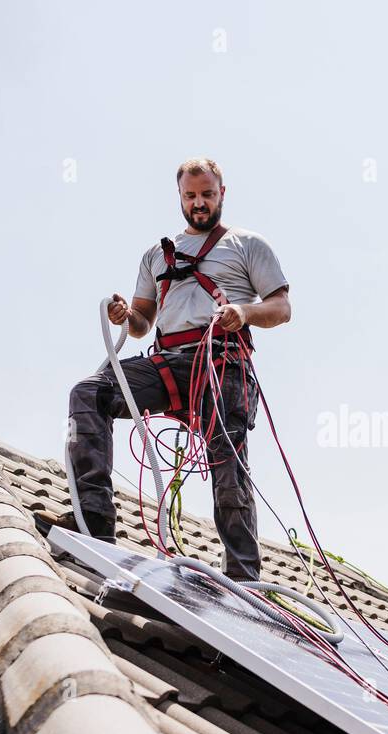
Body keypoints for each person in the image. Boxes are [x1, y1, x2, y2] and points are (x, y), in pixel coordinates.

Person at [53, 156, 291, 581]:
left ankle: (243, 576)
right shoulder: (156, 256)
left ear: (222, 193)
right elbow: (143, 323)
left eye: (207, 195)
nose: (199, 203)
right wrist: (126, 315)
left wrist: (244, 311)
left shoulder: (247, 245)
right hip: (167, 363)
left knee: (228, 459)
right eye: (191, 196)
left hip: (221, 363)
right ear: (179, 197)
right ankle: (94, 521)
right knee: (89, 393)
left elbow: (281, 308)